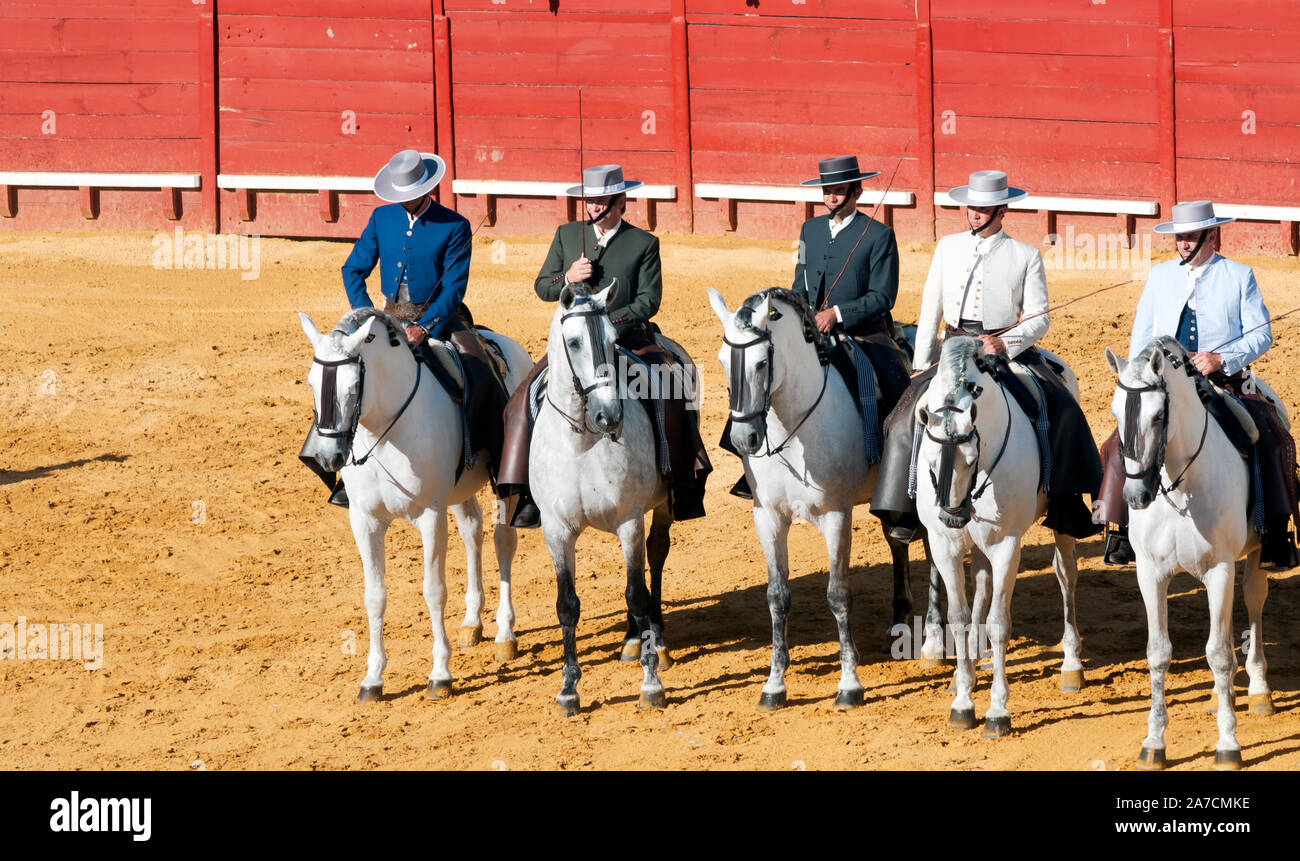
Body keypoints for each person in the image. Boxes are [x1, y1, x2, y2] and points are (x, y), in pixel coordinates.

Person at [873, 169, 1103, 540]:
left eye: (983, 208)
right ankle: (907, 505)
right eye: (971, 207)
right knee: (902, 419)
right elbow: (930, 311)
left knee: (1061, 407)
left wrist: (1005, 343)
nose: (974, 213)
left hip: (1005, 352)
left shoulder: (1025, 256)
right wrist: (920, 367)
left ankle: (1063, 500)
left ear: (1002, 210)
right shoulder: (947, 246)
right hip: (952, 348)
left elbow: (1037, 320)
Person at [496, 164, 712, 527]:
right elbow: (542, 287)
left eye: (601, 201)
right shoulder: (567, 235)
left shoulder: (643, 243)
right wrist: (567, 276)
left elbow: (648, 300)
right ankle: (527, 491)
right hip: (576, 346)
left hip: (628, 339)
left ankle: (681, 481)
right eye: (589, 201)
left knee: (671, 391)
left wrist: (607, 324)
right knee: (522, 399)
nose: (594, 208)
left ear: (620, 201)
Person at [1096, 200, 1298, 567]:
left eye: (1191, 237)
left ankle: (1275, 533)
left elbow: (1262, 335)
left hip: (1222, 383)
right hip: (1165, 383)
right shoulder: (1160, 276)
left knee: (1268, 438)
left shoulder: (1239, 275)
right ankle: (1119, 529)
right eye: (1180, 237)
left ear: (1212, 235)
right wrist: (1142, 375)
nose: (1184, 244)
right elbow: (1141, 339)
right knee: (1117, 441)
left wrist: (1221, 359)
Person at [725, 155, 912, 498]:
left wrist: (836, 314)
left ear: (856, 190)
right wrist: (796, 315)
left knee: (901, 394)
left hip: (865, 334)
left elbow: (883, 296)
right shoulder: (809, 229)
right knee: (761, 369)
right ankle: (751, 466)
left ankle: (900, 478)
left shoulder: (879, 235)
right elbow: (800, 285)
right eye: (828, 190)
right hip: (810, 331)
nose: (831, 197)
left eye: (839, 190)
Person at [335, 148, 508, 502]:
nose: (405, 200)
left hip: (442, 319)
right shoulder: (382, 218)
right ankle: (340, 464)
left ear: (427, 189)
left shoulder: (454, 225)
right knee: (339, 371)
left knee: (479, 367)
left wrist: (425, 327)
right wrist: (369, 316)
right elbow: (352, 269)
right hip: (386, 316)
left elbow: (454, 288)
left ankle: (495, 463)